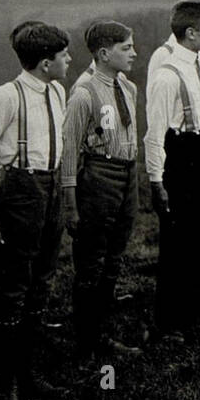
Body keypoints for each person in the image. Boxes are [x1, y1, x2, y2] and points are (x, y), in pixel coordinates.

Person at [0, 21, 70, 400]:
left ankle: (29, 370)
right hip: (20, 192)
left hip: (51, 188)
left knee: (42, 280)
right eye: (63, 56)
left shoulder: (57, 91)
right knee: (12, 286)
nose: (69, 60)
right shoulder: (7, 96)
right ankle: (6, 379)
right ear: (45, 63)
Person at [62, 21, 143, 360]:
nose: (134, 53)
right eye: (126, 48)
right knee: (92, 261)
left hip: (128, 174)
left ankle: (103, 331)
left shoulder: (128, 88)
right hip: (99, 175)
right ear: (103, 53)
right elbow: (69, 150)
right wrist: (70, 203)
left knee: (114, 255)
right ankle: (87, 340)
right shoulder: (83, 94)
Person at [144, 2, 200, 338]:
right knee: (178, 240)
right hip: (181, 156)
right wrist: (156, 181)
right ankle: (169, 319)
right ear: (191, 33)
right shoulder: (166, 75)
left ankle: (192, 308)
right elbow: (155, 134)